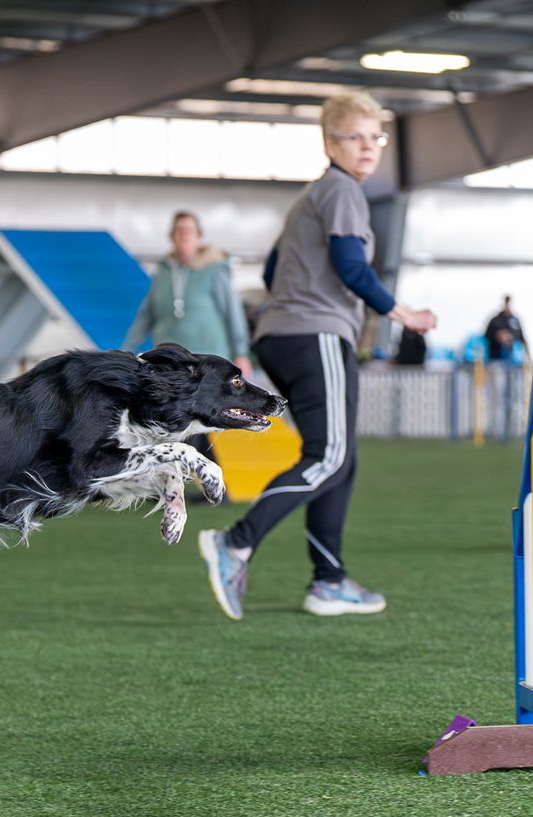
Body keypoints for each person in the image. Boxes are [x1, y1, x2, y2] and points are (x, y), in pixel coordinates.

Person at [197, 89, 436, 620]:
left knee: (339, 460)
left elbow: (270, 271)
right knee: (328, 456)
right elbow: (352, 267)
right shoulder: (343, 191)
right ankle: (235, 542)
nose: (367, 146)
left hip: (284, 336)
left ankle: (328, 580)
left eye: (375, 136)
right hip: (316, 336)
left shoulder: (310, 199)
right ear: (330, 142)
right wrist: (404, 314)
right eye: (353, 136)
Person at [122, 210, 252, 379]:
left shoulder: (214, 270)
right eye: (179, 230)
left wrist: (241, 353)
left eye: (189, 231)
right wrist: (125, 352)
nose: (184, 235)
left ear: (198, 237)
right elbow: (145, 317)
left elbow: (232, 312)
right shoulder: (162, 273)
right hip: (169, 362)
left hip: (209, 362)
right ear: (171, 237)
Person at [485, 296, 524, 361]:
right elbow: (486, 336)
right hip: (495, 358)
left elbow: (522, 338)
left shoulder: (516, 321)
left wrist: (511, 338)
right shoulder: (495, 320)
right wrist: (498, 336)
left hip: (513, 359)